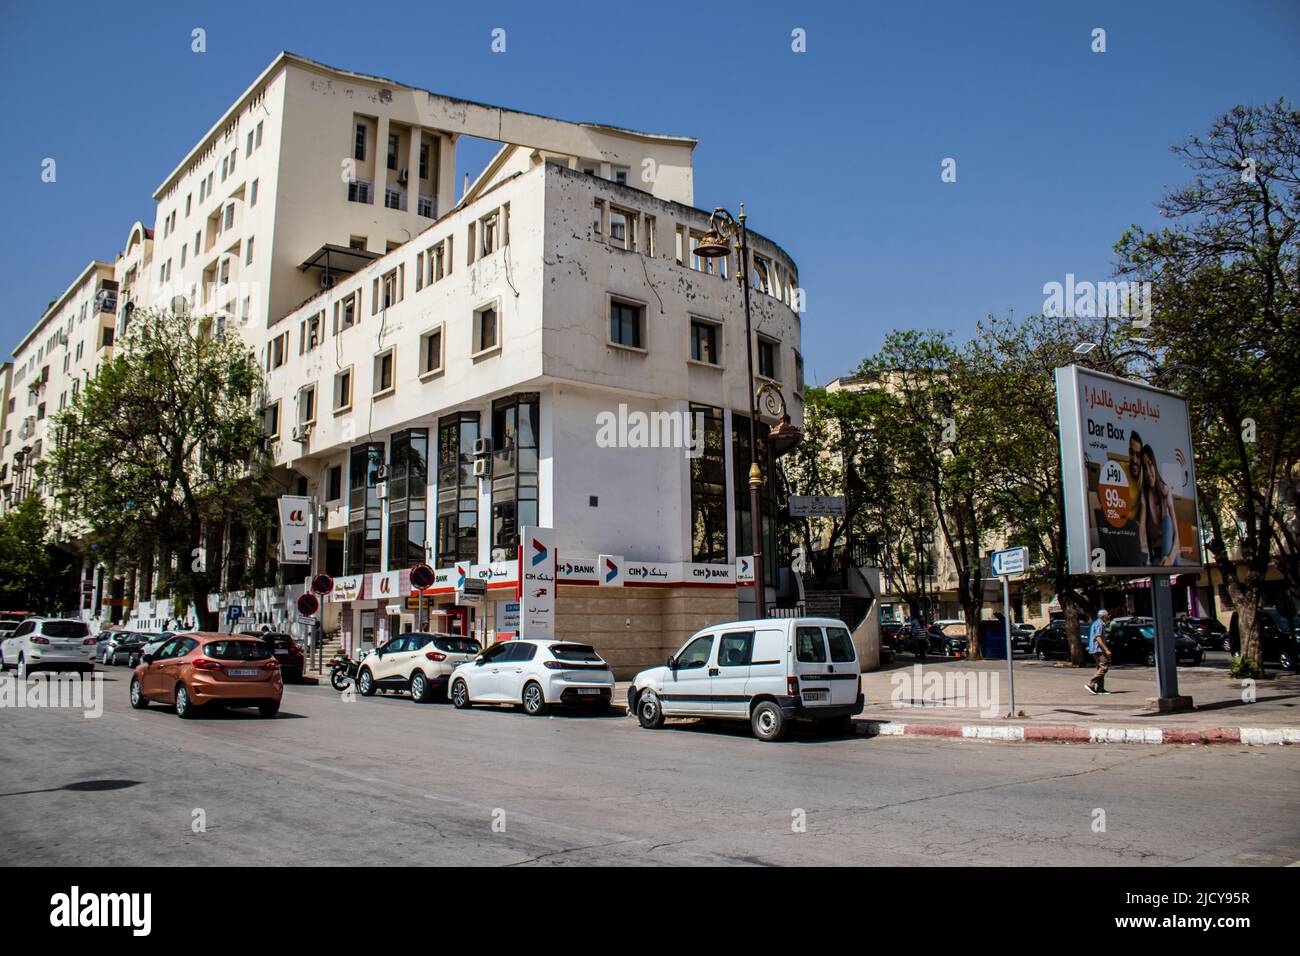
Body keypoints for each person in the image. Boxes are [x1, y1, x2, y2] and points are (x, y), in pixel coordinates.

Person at [1136, 444, 1181, 566]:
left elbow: (1177, 535)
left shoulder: (1165, 490)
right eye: (1144, 468)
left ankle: (1165, 561)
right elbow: (1142, 527)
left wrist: (1170, 558)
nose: (1148, 472)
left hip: (1172, 552)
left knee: (1167, 519)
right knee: (1156, 566)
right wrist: (1137, 552)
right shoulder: (1145, 495)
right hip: (1157, 552)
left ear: (1154, 465)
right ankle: (1163, 562)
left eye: (1150, 465)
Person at [1086, 609, 1112, 695]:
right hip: (1098, 649)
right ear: (1103, 616)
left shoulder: (1098, 623)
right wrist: (1106, 649)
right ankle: (1091, 684)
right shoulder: (1099, 624)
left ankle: (1100, 689)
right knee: (1104, 667)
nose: (1108, 617)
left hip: (1096, 649)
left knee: (1100, 668)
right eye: (1107, 615)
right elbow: (1098, 638)